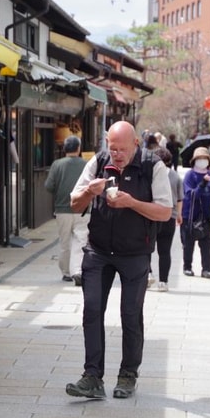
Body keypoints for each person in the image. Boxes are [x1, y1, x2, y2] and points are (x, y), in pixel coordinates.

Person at [65, 121, 174, 400]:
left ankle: (127, 375)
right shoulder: (98, 162)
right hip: (99, 250)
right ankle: (92, 377)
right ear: (106, 143)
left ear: (136, 144)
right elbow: (74, 203)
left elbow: (164, 212)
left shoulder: (153, 167)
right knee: (91, 311)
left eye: (123, 150)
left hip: (136, 252)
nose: (117, 155)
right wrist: (90, 191)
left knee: (130, 314)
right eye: (113, 149)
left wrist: (132, 203)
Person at [44, 136, 89, 285]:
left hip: (62, 209)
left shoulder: (57, 165)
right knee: (81, 240)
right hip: (82, 209)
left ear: (64, 149)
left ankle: (66, 273)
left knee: (65, 243)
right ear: (78, 148)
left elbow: (49, 186)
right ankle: (78, 270)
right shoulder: (86, 164)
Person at [181, 147, 210, 278]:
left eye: (205, 158)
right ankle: (187, 267)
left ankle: (206, 269)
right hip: (190, 215)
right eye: (199, 158)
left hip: (205, 215)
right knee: (188, 243)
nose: (202, 161)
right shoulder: (190, 175)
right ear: (194, 160)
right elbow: (191, 194)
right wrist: (203, 183)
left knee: (206, 243)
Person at [151, 148, 183, 292]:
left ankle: (149, 274)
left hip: (151, 215)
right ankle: (163, 281)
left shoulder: (151, 174)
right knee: (165, 251)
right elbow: (180, 199)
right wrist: (179, 215)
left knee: (146, 248)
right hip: (169, 216)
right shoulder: (175, 176)